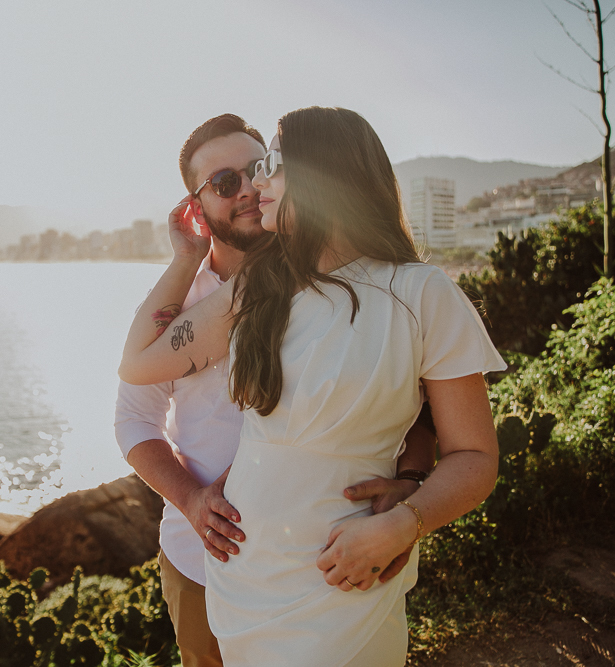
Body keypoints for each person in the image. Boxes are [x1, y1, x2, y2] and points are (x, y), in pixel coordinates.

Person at [119, 107, 504, 667]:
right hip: (243, 581)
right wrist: (185, 257)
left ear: (324, 176)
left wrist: (406, 516)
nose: (255, 185)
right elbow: (138, 365)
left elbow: (471, 451)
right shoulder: (261, 291)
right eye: (232, 181)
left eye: (267, 165)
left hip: (345, 574)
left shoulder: (422, 294)